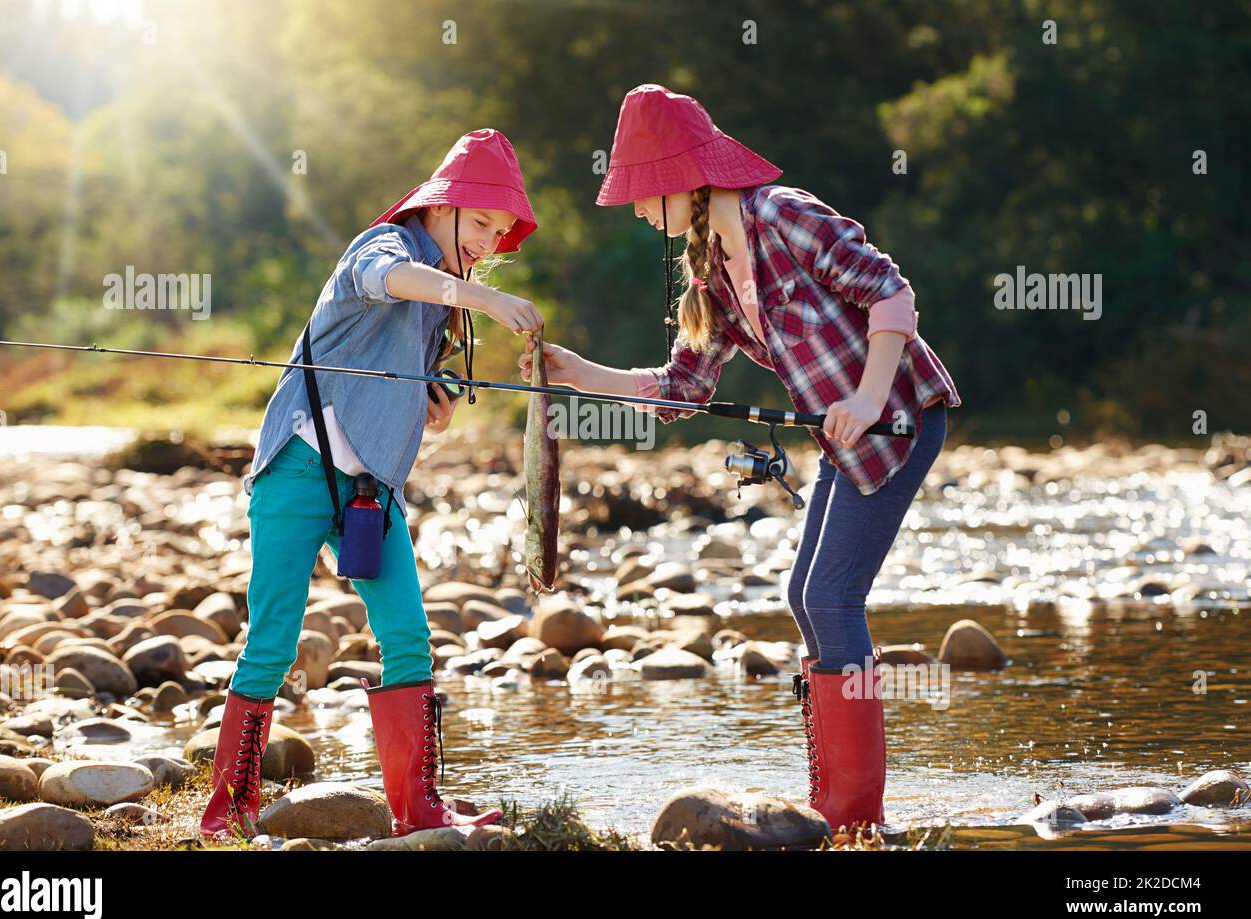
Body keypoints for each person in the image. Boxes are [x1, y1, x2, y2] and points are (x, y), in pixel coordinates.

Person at [519, 85, 961, 833]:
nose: (634, 208)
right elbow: (682, 387)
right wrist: (575, 371)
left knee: (831, 598)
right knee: (804, 596)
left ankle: (855, 816)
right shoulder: (711, 268)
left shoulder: (783, 214)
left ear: (682, 179)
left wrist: (868, 396)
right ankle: (836, 797)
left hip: (900, 421)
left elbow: (891, 293)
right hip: (845, 437)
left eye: (639, 189)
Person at [202, 128, 544, 838]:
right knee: (271, 640)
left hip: (369, 491)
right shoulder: (382, 246)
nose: (487, 242)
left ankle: (416, 808)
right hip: (298, 469)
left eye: (500, 231)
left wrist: (437, 402)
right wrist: (479, 299)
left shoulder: (445, 295)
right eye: (480, 222)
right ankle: (229, 807)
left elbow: (411, 381)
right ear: (440, 206)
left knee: (410, 635)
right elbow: (381, 282)